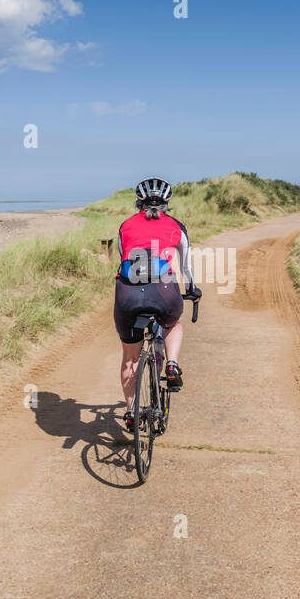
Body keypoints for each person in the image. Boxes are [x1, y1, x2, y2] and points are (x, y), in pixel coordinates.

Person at [113, 178, 201, 432]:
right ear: (166, 204)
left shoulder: (126, 225)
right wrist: (192, 290)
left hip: (128, 292)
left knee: (130, 358)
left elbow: (123, 258)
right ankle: (172, 363)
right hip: (163, 290)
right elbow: (185, 266)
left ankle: (130, 412)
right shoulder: (175, 226)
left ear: (138, 202)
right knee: (173, 324)